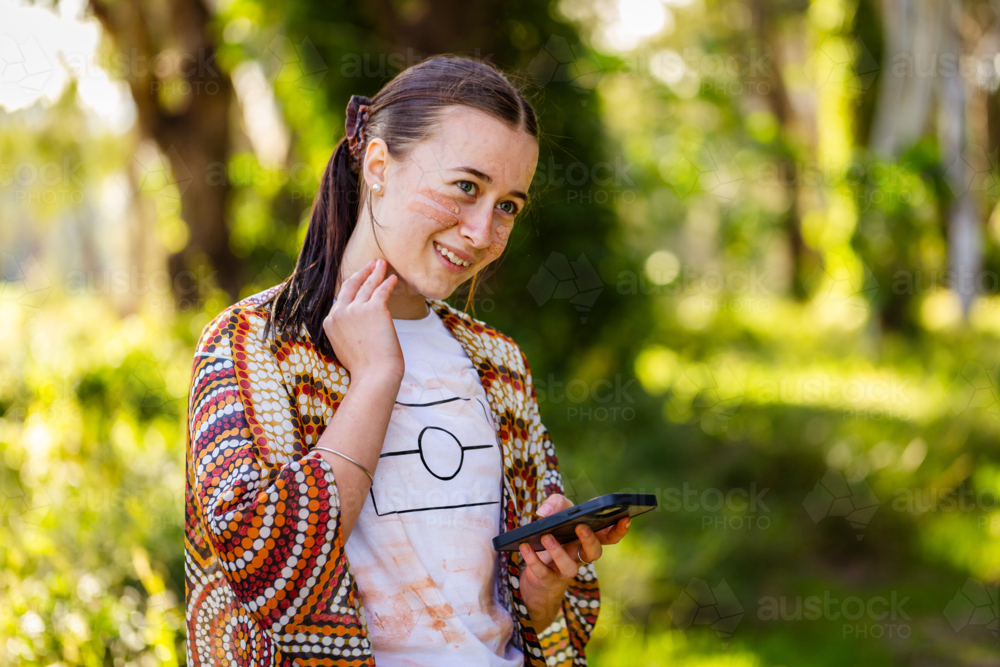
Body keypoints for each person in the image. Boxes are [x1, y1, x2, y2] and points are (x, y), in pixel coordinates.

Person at [184, 54, 630, 667]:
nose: (481, 232)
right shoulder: (252, 345)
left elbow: (545, 621)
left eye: (508, 206)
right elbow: (265, 574)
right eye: (466, 187)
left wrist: (543, 590)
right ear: (377, 166)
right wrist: (374, 380)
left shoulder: (498, 364)